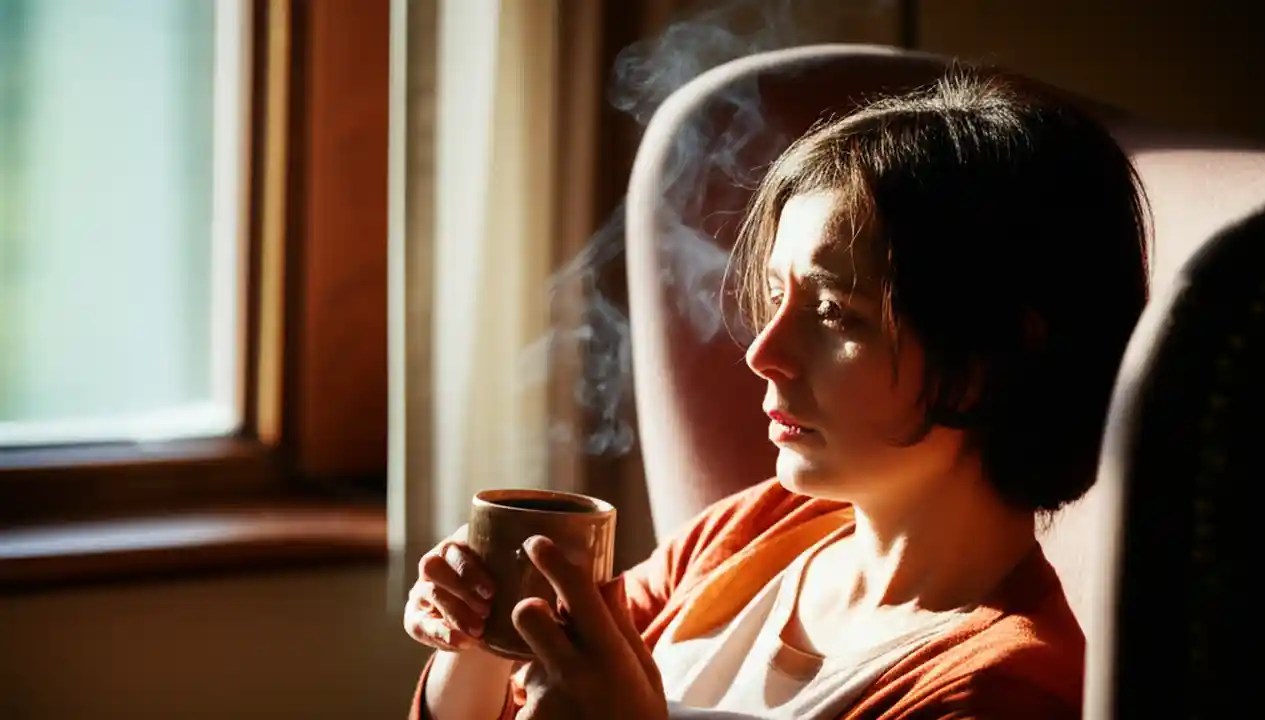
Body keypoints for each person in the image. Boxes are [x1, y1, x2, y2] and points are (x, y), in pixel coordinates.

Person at [402, 69, 1149, 719]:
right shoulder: (748, 533)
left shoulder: (1004, 692)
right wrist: (481, 642)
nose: (763, 354)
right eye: (773, 297)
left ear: (998, 350)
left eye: (834, 313)